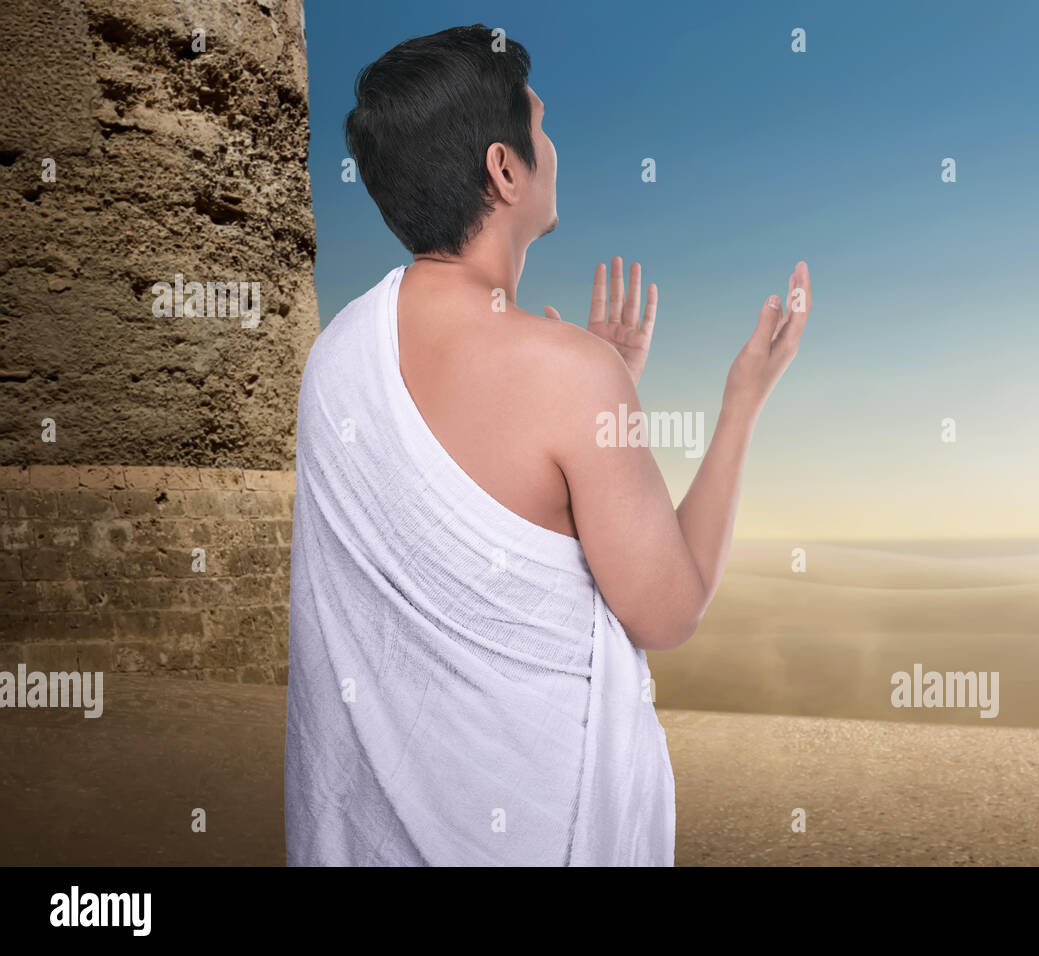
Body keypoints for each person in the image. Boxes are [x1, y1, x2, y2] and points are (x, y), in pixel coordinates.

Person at [284, 23, 810, 866]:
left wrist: (606, 392)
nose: (553, 145)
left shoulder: (336, 353)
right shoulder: (570, 376)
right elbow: (669, 610)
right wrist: (742, 400)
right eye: (542, 124)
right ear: (504, 169)